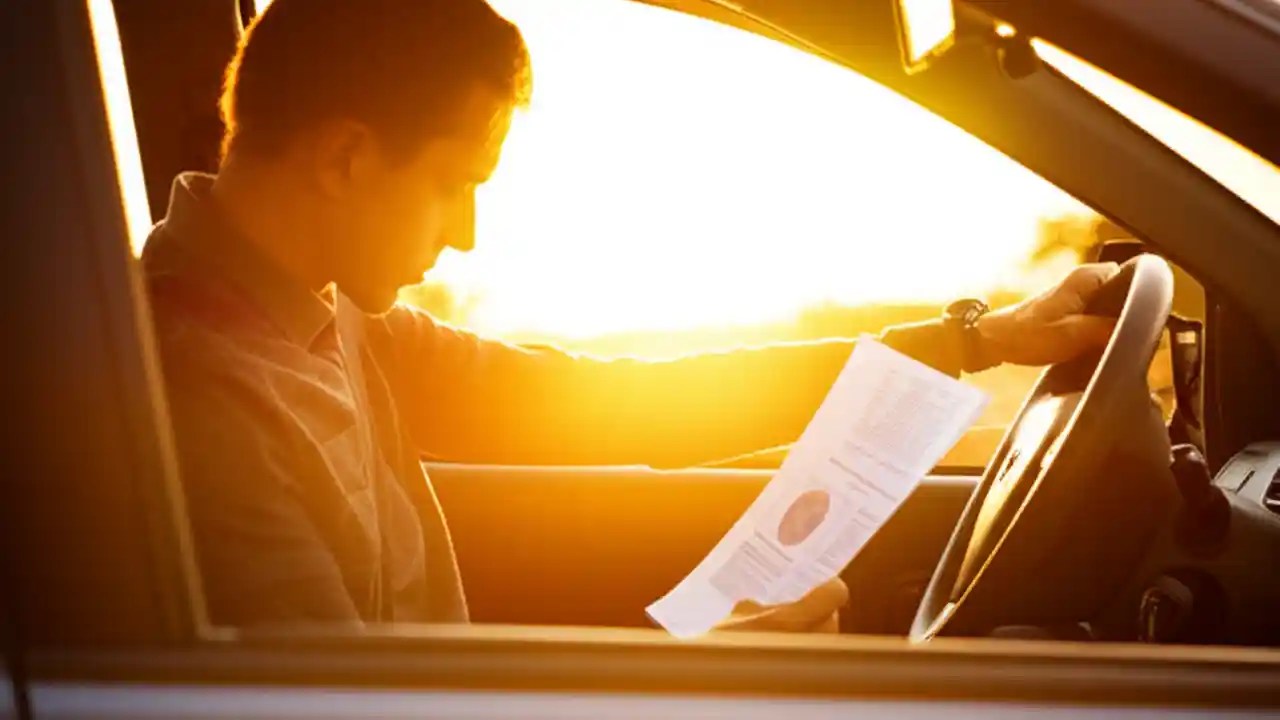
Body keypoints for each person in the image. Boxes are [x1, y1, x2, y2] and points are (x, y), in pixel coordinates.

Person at [143, 0, 1117, 633]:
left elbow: (609, 401)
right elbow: (340, 712)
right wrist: (682, 680)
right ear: (346, 158)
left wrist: (974, 340)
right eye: (452, 185)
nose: (469, 236)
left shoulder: (329, 316)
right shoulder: (194, 398)